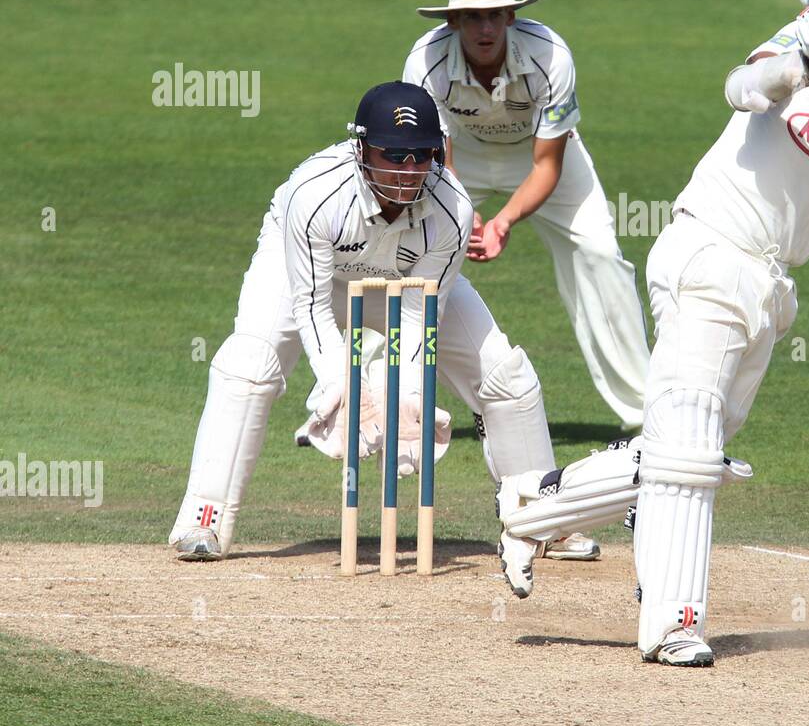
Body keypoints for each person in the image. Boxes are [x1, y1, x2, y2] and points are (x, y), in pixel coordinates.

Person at [492, 0, 809, 665]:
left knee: (691, 450)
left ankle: (532, 507)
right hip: (710, 244)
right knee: (686, 447)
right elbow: (742, 88)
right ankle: (672, 624)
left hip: (770, 281)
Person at [168, 83, 572, 564]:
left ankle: (543, 522)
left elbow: (422, 313)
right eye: (393, 155)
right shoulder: (315, 194)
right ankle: (205, 518)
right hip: (306, 270)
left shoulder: (451, 207)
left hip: (405, 276)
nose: (408, 171)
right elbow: (313, 306)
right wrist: (346, 387)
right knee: (249, 364)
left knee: (506, 377)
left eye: (421, 155)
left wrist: (408, 395)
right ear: (361, 149)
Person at [402, 0, 651, 440]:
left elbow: (547, 165)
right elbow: (438, 156)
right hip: (460, 160)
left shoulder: (549, 53)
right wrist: (464, 213)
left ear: (512, 16)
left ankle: (646, 414)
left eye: (495, 14)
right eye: (473, 17)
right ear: (452, 21)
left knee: (600, 256)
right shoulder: (425, 62)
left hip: (537, 153)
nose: (486, 27)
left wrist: (502, 221)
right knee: (405, 258)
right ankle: (378, 400)